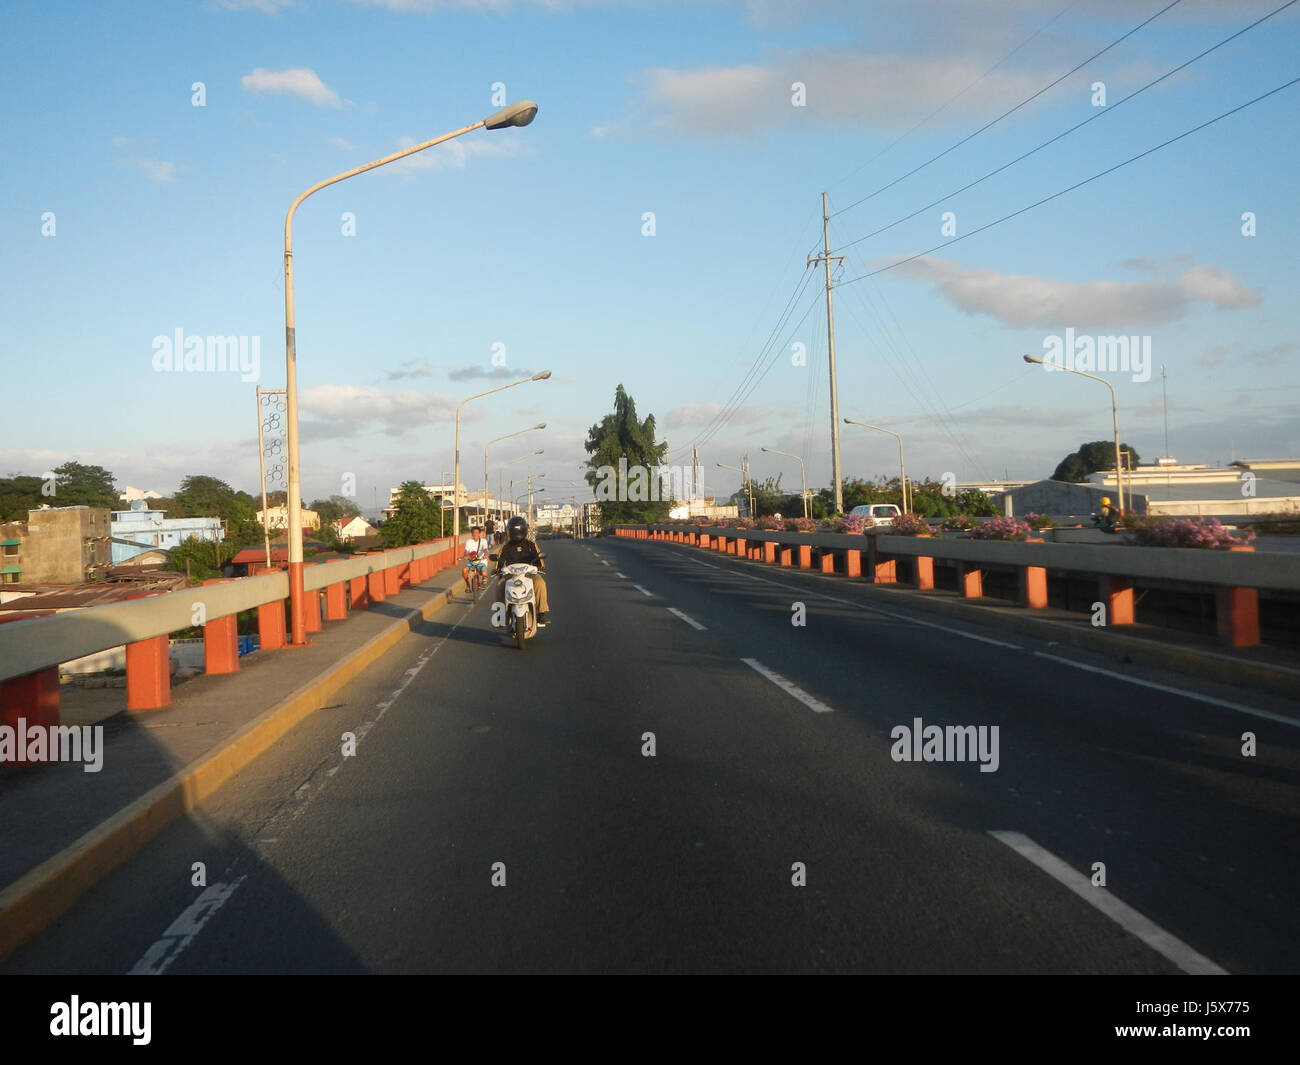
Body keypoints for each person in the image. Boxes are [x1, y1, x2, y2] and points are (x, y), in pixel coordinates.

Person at [494, 515, 550, 625]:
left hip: (528, 573)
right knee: (500, 585)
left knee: (540, 583)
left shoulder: (531, 544)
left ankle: (541, 613)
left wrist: (541, 567)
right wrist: (497, 570)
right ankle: (500, 616)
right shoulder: (505, 547)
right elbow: (499, 561)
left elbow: (538, 557)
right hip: (511, 575)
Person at [461, 525, 491, 591]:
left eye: (477, 533)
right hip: (472, 561)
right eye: (473, 533)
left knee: (484, 574)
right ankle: (468, 585)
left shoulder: (483, 541)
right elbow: (466, 550)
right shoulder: (468, 541)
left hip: (481, 561)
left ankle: (484, 580)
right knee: (464, 570)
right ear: (471, 534)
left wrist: (485, 555)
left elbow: (485, 549)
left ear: (479, 533)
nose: (475, 534)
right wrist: (465, 555)